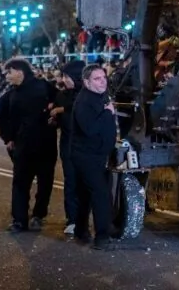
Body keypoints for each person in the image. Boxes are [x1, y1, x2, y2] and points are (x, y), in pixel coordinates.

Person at [0, 59, 58, 233]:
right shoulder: (9, 96)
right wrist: (8, 139)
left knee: (45, 182)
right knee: (21, 183)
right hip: (22, 146)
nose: (6, 76)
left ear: (19, 72)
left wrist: (55, 113)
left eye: (9, 72)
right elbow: (0, 118)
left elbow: (61, 102)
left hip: (45, 144)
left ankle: (38, 214)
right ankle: (19, 220)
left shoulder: (44, 87)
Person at [70, 64, 119, 250]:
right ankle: (102, 237)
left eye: (104, 78)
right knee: (100, 194)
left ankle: (81, 230)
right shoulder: (84, 102)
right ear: (86, 82)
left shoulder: (99, 96)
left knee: (86, 194)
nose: (102, 82)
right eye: (97, 79)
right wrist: (108, 113)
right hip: (87, 156)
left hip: (97, 154)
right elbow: (90, 129)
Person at [49, 59, 85, 236]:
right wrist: (53, 117)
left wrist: (62, 110)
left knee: (86, 183)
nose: (64, 80)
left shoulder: (87, 94)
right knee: (71, 182)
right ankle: (72, 218)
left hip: (86, 145)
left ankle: (84, 219)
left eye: (67, 76)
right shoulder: (62, 95)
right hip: (68, 144)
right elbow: (58, 120)